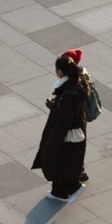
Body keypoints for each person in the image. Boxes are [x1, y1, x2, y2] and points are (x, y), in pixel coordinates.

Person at [32, 48, 90, 201]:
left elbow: (64, 120)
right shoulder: (75, 86)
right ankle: (59, 193)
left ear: (60, 71)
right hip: (74, 131)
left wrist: (53, 142)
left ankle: (73, 188)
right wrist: (55, 105)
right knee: (65, 163)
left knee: (58, 161)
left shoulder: (68, 94)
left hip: (66, 136)